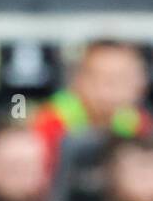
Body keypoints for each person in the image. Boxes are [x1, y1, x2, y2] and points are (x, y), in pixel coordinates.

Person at [33, 40, 151, 178]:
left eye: (122, 79)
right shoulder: (51, 121)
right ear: (77, 79)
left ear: (140, 84)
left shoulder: (140, 124)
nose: (111, 90)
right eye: (101, 79)